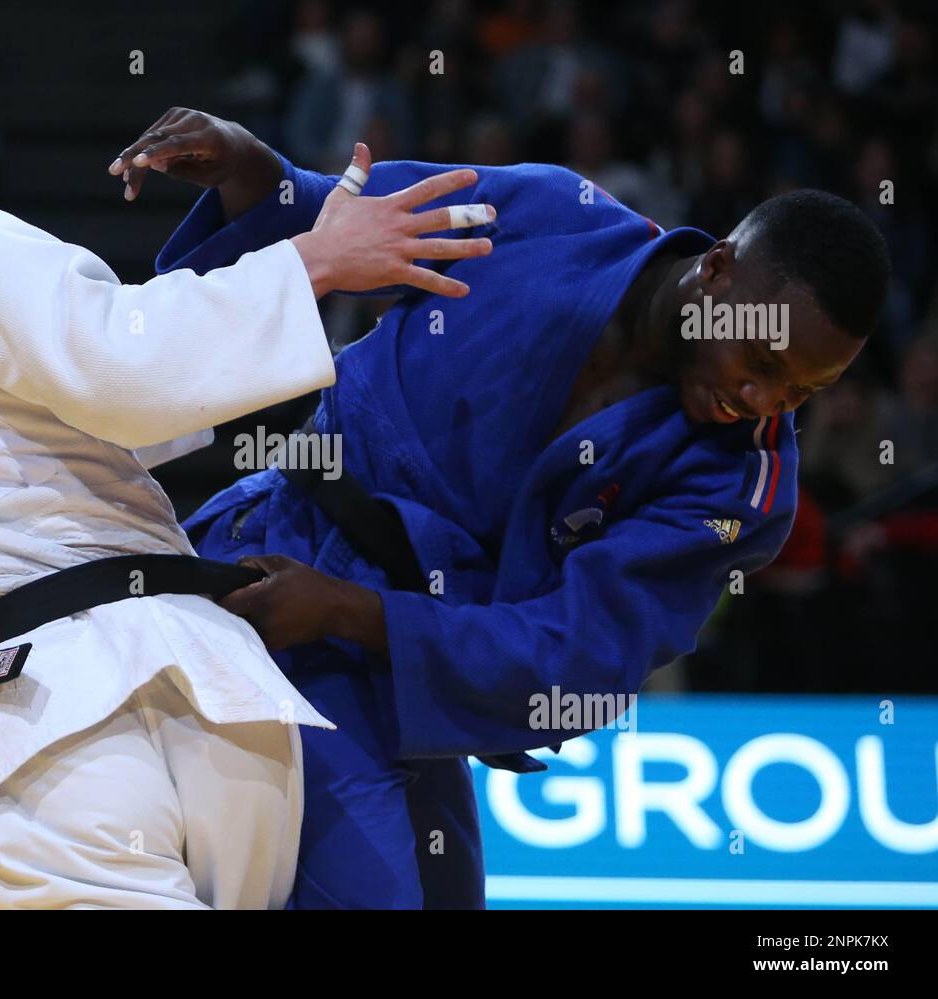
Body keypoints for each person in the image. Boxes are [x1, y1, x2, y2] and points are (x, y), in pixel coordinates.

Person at [0, 88, 495, 909]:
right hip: (219, 702)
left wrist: (312, 260)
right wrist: (309, 262)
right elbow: (128, 380)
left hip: (43, 735)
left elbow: (117, 385)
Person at [111, 107, 891, 908]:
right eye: (761, 358)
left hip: (406, 658)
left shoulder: (739, 483)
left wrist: (350, 613)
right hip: (277, 561)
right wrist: (251, 172)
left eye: (805, 390)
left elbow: (571, 654)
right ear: (720, 270)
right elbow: (340, 223)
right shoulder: (556, 217)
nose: (764, 399)